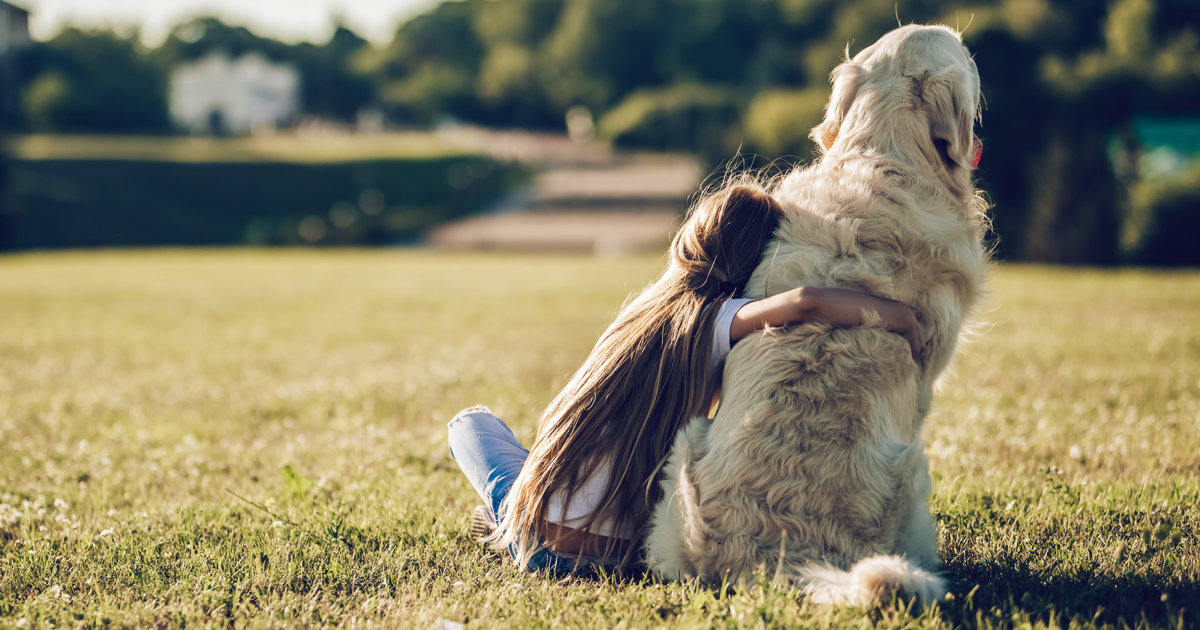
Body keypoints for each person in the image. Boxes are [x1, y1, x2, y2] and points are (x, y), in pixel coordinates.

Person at [446, 180, 924, 576]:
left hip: (541, 546)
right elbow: (805, 301)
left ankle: (504, 519)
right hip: (624, 558)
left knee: (470, 425)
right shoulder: (717, 321)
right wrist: (900, 317)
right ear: (756, 258)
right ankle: (506, 516)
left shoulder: (643, 315)